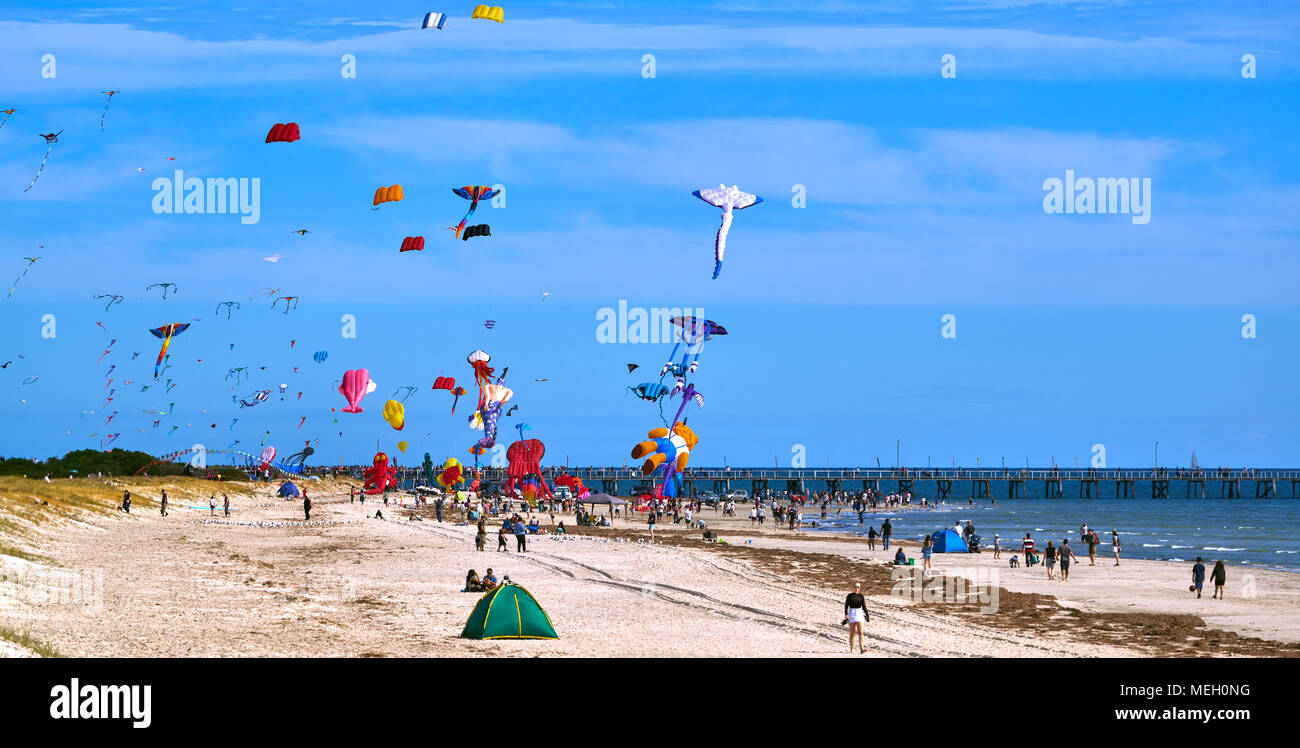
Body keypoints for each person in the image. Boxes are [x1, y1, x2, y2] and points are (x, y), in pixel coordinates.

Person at [843, 582, 869, 654]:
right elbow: (846, 605)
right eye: (855, 587)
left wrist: (867, 615)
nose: (856, 588)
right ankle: (852, 649)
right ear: (853, 587)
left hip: (859, 613)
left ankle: (861, 648)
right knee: (852, 633)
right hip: (852, 613)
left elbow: (864, 606)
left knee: (861, 632)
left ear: (860, 588)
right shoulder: (849, 596)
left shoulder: (861, 596)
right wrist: (846, 614)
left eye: (858, 587)